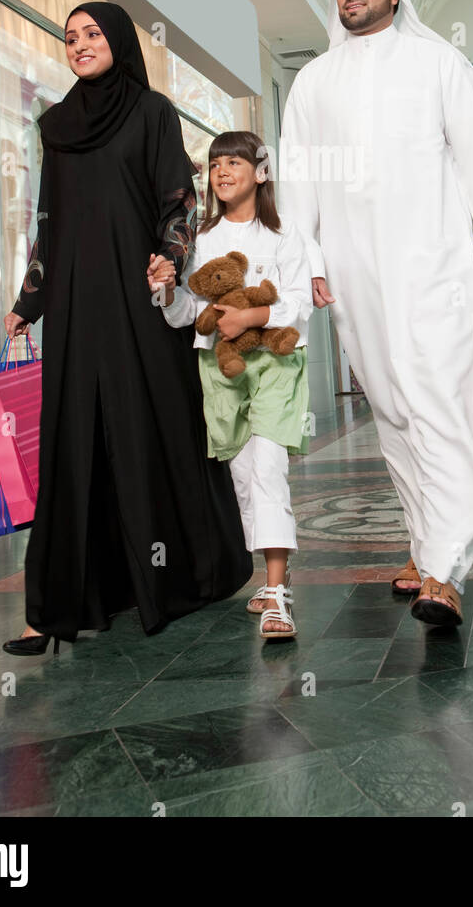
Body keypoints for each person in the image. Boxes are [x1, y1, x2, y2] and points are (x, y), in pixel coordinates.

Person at [279, 0, 473, 627]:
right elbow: (297, 182)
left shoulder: (437, 63)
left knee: (438, 403)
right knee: (391, 411)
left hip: (431, 263)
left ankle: (446, 570)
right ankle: (425, 546)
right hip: (356, 272)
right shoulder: (314, 83)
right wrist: (311, 262)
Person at [2, 3, 251, 654]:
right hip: (79, 309)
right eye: (70, 38)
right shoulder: (56, 128)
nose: (79, 45)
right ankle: (55, 607)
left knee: (149, 428)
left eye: (92, 35)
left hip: (141, 301)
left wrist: (170, 256)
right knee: (73, 440)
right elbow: (48, 224)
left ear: (116, 40)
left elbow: (180, 199)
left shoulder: (152, 112)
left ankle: (174, 577)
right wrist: (29, 302)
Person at [158, 131, 311, 641]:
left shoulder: (285, 233)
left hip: (273, 364)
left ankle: (277, 596)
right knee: (243, 476)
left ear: (260, 172)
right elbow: (187, 314)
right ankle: (274, 574)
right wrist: (163, 292)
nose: (222, 171)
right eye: (215, 163)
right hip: (219, 371)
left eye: (234, 162)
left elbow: (298, 303)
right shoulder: (201, 240)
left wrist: (250, 314)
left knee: (268, 467)